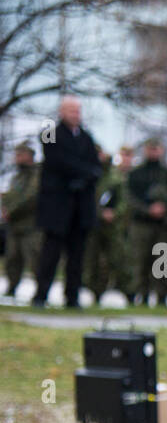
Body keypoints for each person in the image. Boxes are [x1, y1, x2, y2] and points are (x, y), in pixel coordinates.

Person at [33, 96, 101, 309]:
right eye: (72, 111)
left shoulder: (87, 137)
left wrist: (84, 175)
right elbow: (56, 160)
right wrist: (83, 173)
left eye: (78, 111)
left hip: (80, 209)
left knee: (77, 257)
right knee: (50, 255)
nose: (76, 115)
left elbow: (96, 167)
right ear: (62, 112)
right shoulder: (50, 132)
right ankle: (41, 296)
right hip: (57, 207)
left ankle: (72, 297)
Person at [127, 136, 167, 306]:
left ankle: (162, 297)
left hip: (163, 225)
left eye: (156, 148)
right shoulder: (136, 174)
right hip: (141, 224)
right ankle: (140, 295)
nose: (154, 151)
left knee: (163, 262)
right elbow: (130, 198)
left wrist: (165, 209)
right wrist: (147, 209)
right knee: (140, 260)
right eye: (151, 148)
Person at [84, 147, 129, 303]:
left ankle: (120, 291)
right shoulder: (88, 173)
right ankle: (91, 290)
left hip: (112, 226)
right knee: (90, 259)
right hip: (92, 223)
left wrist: (114, 213)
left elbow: (123, 200)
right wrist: (97, 213)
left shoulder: (115, 177)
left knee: (115, 258)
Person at [1, 142, 41, 296]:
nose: (16, 158)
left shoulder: (35, 175)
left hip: (30, 225)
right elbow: (11, 195)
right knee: (12, 259)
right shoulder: (17, 176)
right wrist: (5, 207)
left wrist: (11, 210)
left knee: (34, 259)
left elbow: (31, 197)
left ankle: (40, 291)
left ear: (29, 156)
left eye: (20, 155)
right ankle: (11, 288)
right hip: (14, 225)